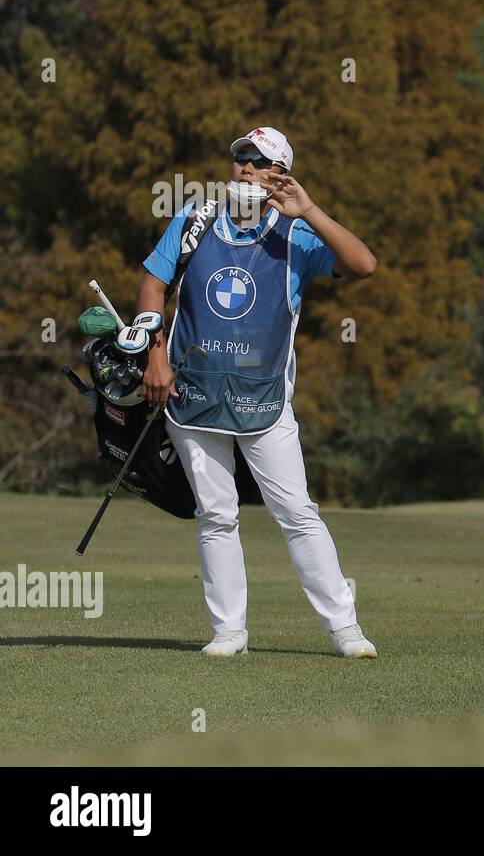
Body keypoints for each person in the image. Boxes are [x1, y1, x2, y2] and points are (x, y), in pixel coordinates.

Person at [136, 126, 380, 658]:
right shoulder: (196, 219)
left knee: (296, 511)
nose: (244, 167)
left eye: (258, 160)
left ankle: (345, 629)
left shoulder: (297, 236)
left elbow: (363, 265)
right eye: (240, 159)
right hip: (191, 396)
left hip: (266, 401)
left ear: (280, 173)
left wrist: (308, 210)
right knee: (217, 516)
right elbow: (154, 283)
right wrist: (154, 355)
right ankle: (229, 633)